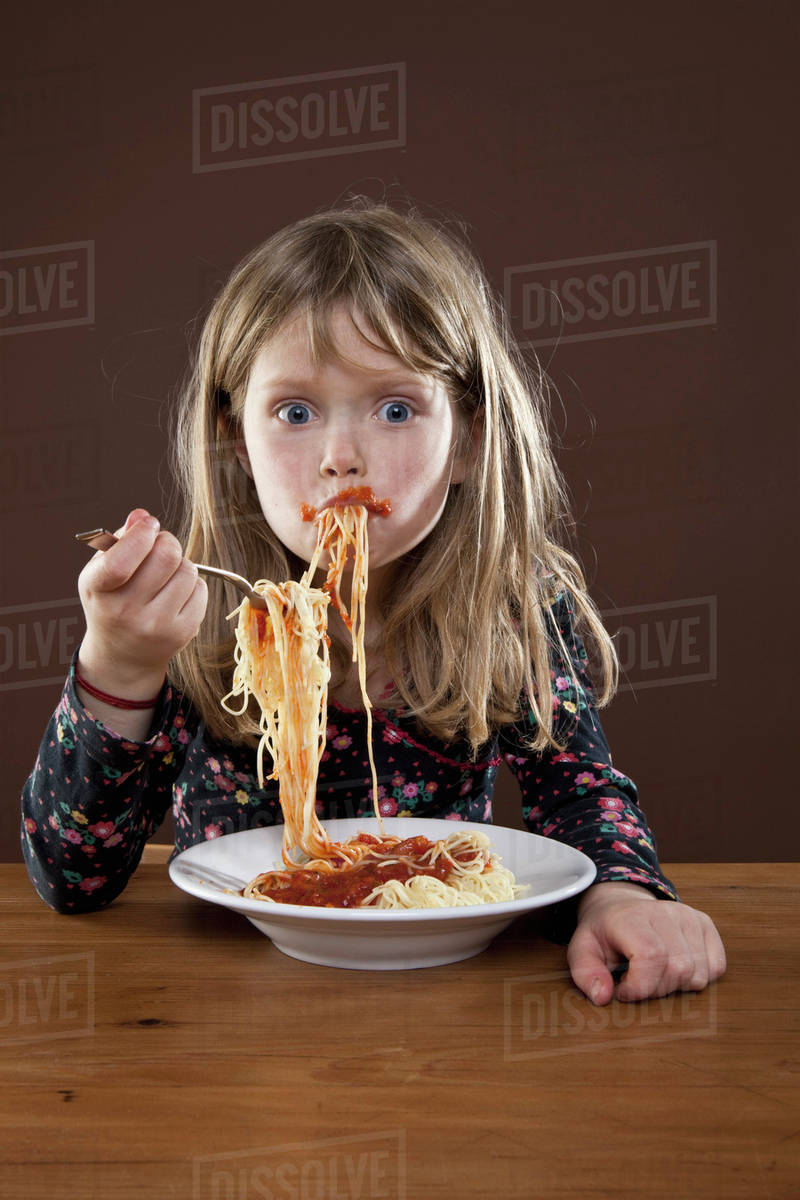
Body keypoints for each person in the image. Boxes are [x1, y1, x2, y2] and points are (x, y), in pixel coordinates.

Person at [21, 197, 726, 1006]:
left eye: (395, 409)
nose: (341, 458)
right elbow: (72, 877)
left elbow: (580, 792)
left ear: (464, 437)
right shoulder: (197, 616)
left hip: (452, 999)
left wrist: (621, 895)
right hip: (227, 1000)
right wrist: (120, 662)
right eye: (294, 411)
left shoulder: (510, 605)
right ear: (236, 442)